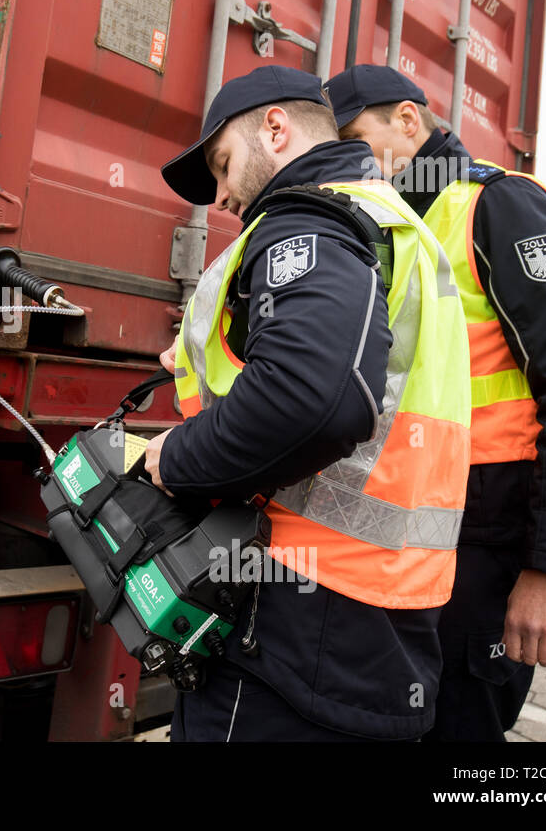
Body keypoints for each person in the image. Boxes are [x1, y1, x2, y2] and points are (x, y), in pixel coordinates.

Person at [143, 65, 471, 741]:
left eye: (226, 165)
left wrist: (176, 457)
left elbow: (313, 400)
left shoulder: (312, 220)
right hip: (380, 608)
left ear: (276, 127)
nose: (224, 194)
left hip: (298, 614)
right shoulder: (385, 218)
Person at [325, 64, 546, 740]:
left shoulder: (499, 205)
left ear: (407, 120)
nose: (348, 162)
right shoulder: (385, 230)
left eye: (354, 139)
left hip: (488, 548)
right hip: (407, 546)